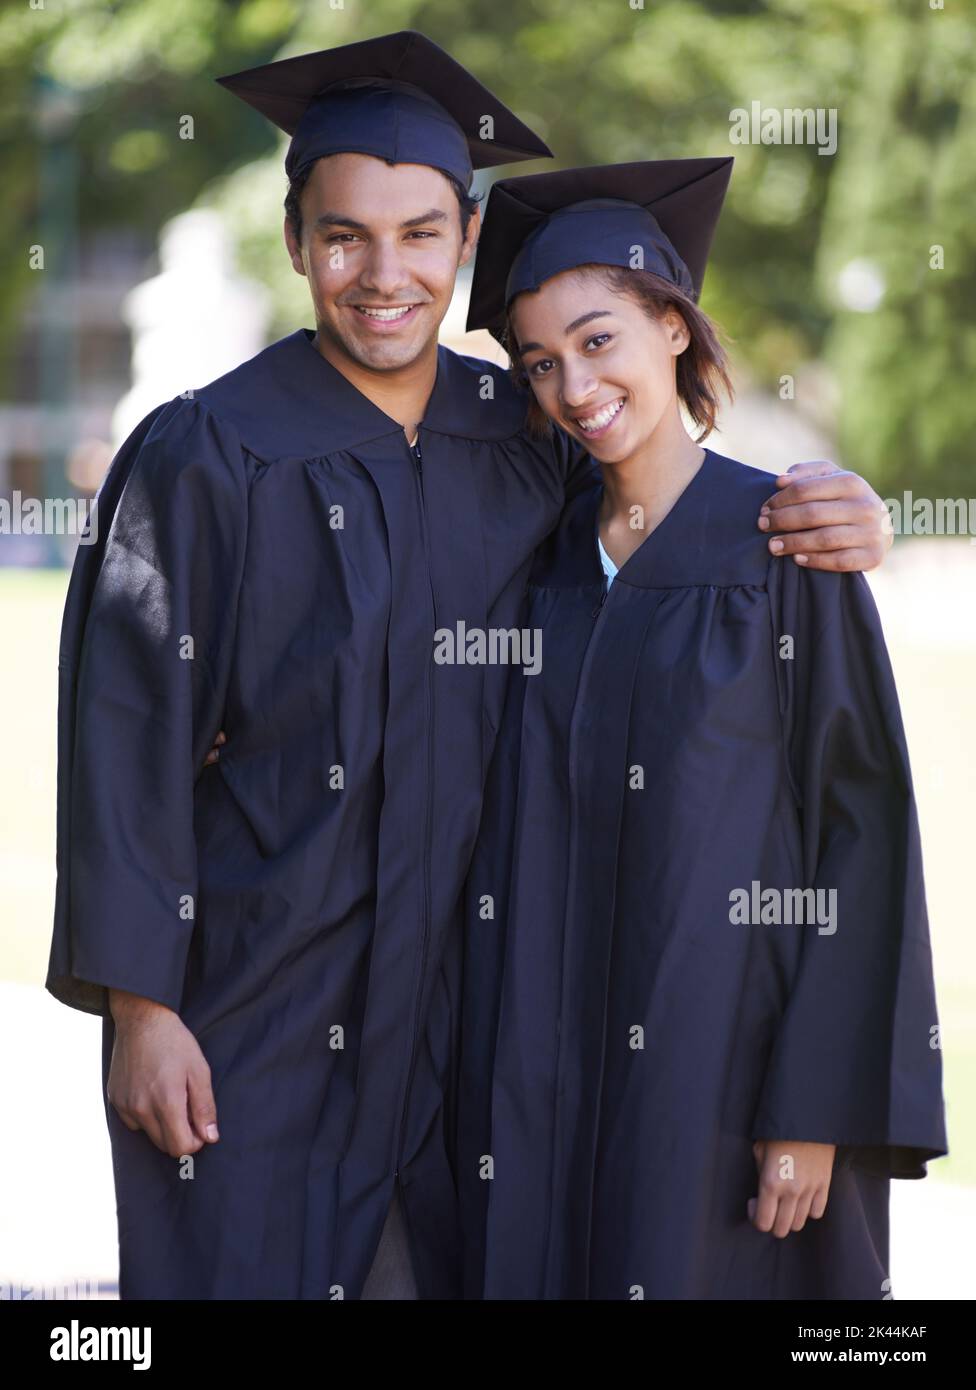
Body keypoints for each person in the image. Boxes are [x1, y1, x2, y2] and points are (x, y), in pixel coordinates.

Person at [47, 31, 894, 1300]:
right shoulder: (207, 452)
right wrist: (140, 1007)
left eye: (422, 234)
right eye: (344, 236)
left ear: (463, 240)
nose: (383, 274)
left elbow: (656, 520)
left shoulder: (521, 438)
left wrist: (843, 507)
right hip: (258, 1003)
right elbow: (125, 733)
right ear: (295, 243)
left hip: (477, 1009)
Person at [456, 159, 948, 1300]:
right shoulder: (529, 560)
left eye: (596, 340)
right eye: (539, 362)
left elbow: (860, 842)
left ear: (673, 328)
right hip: (539, 1067)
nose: (572, 385)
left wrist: (814, 1111)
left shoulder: (782, 551)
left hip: (724, 1075)